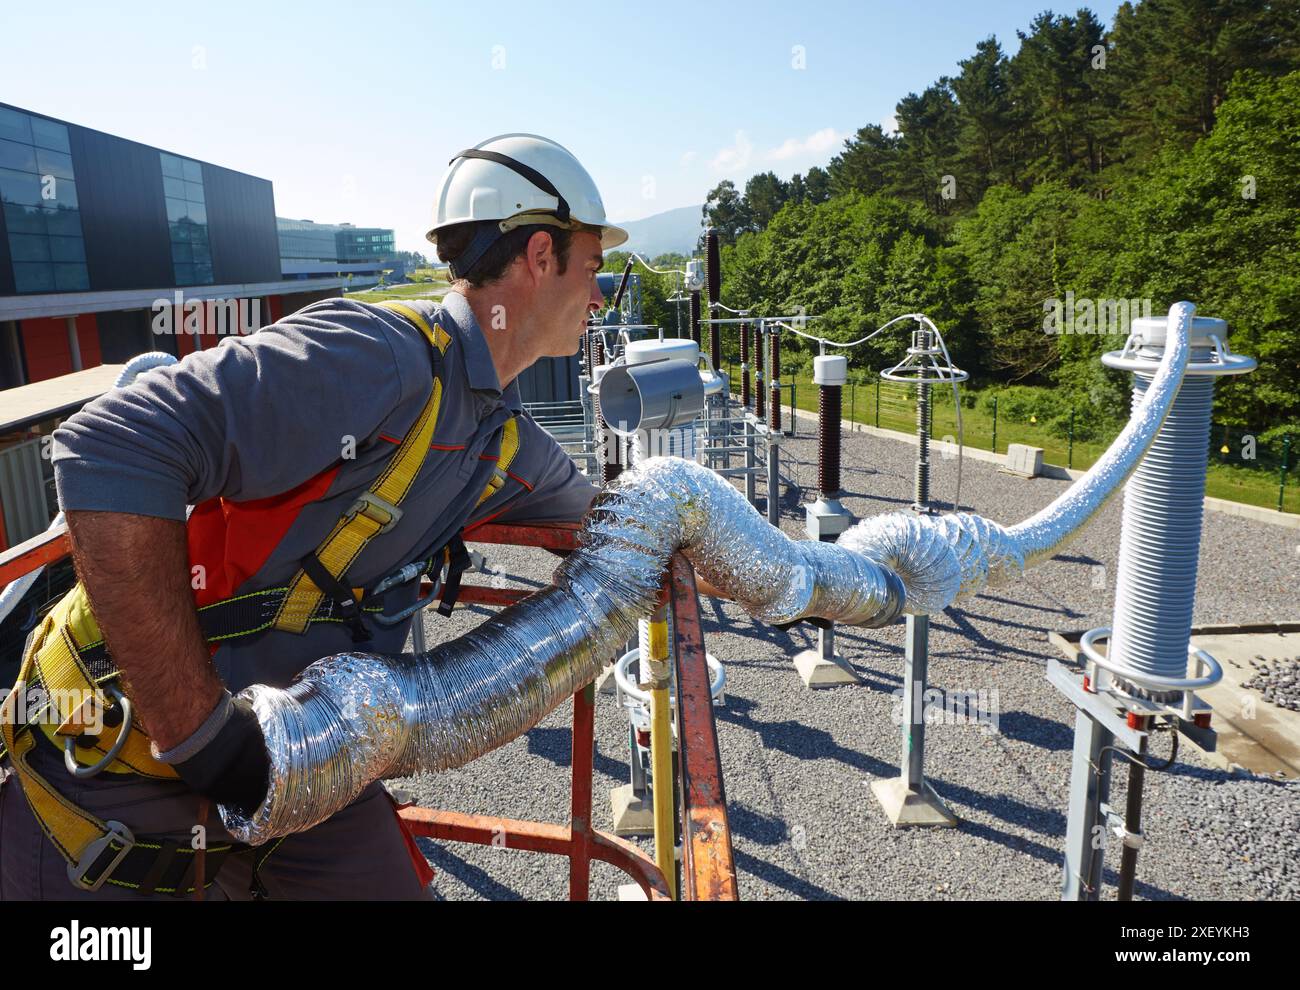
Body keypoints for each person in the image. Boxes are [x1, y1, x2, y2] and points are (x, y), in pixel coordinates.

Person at [0, 133, 626, 900]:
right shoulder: (376, 357)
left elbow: (619, 523)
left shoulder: (503, 442)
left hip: (289, 763)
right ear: (538, 255)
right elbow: (108, 442)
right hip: (112, 762)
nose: (598, 298)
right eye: (592, 270)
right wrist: (202, 736)